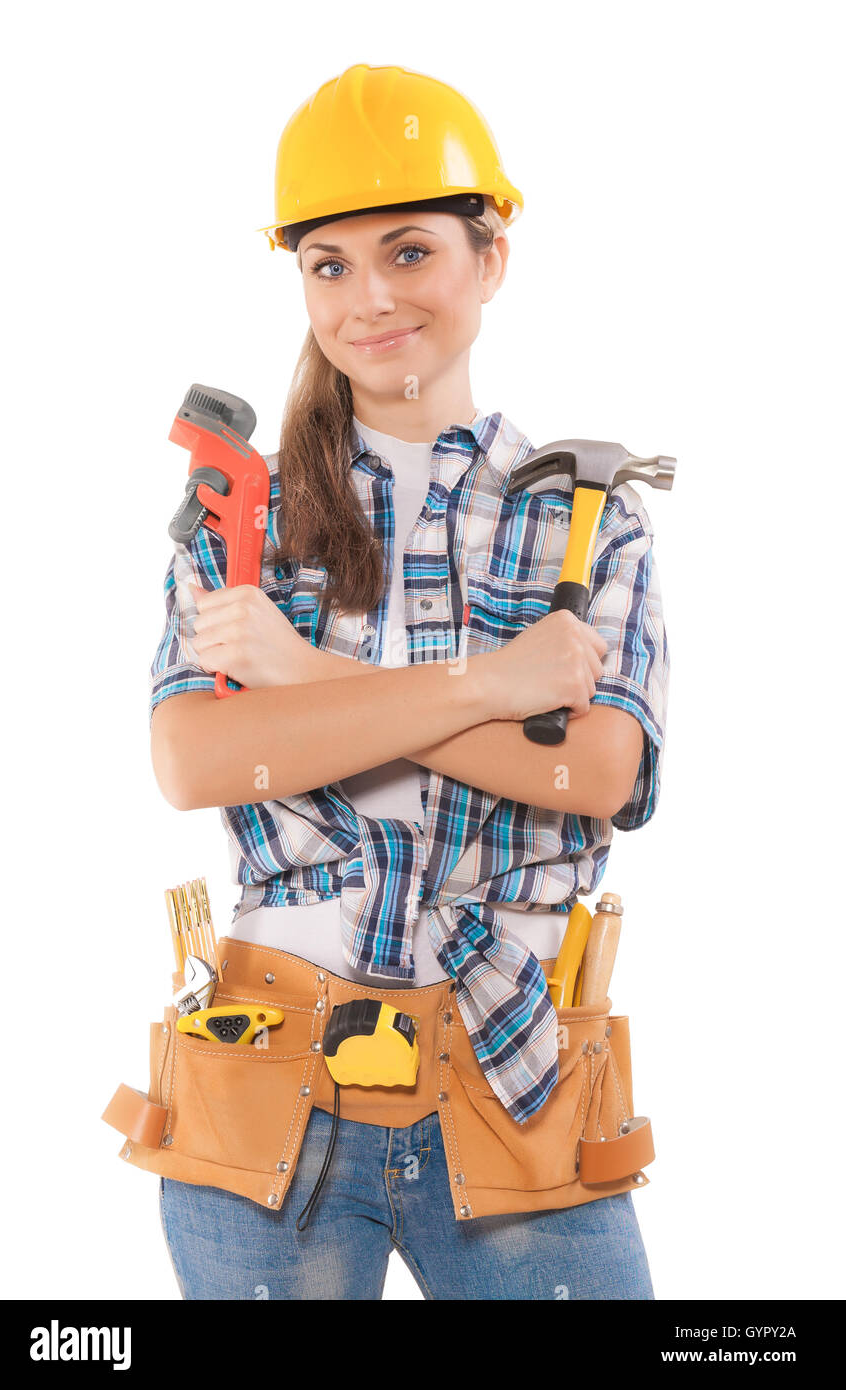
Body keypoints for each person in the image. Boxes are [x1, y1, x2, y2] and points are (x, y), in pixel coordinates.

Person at [148, 63, 669, 1300]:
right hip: (267, 1074)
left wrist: (304, 678)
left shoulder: (584, 521)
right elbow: (196, 761)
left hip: (516, 1068)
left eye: (409, 251)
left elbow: (598, 773)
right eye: (328, 265)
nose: (369, 298)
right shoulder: (241, 514)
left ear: (489, 259)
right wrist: (492, 685)